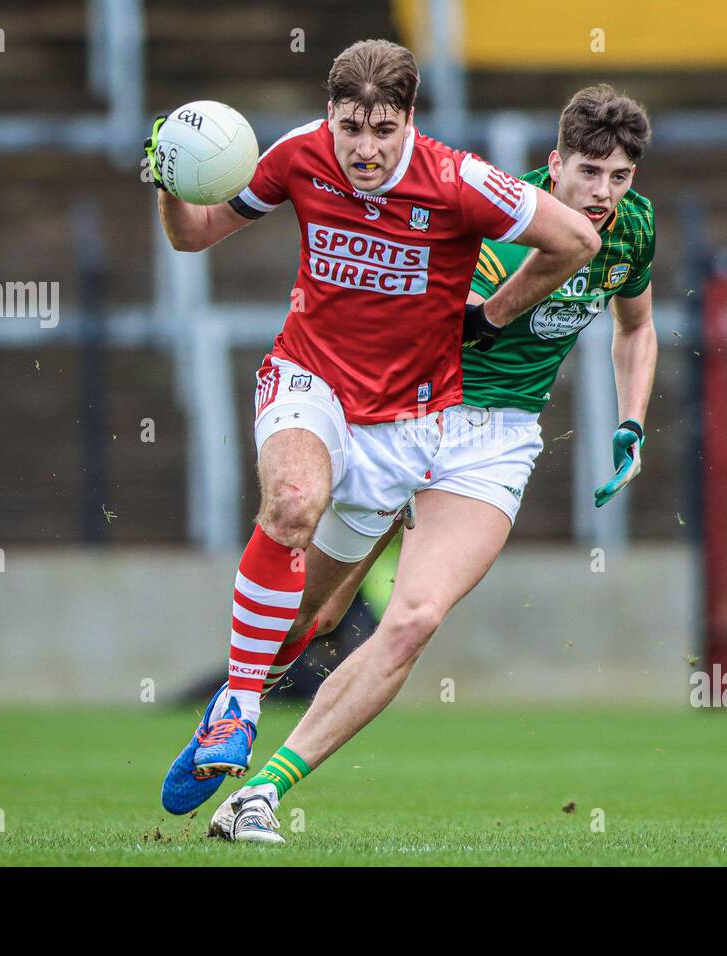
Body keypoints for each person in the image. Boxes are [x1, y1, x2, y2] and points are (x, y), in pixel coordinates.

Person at [147, 39, 601, 815]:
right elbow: (192, 234)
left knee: (312, 621)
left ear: (410, 122)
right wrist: (168, 175)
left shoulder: (460, 182)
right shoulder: (298, 155)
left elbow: (580, 241)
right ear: (331, 116)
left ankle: (240, 688)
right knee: (292, 502)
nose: (364, 148)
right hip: (308, 379)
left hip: (405, 429)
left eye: (382, 130)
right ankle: (238, 713)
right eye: (351, 127)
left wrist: (490, 315)